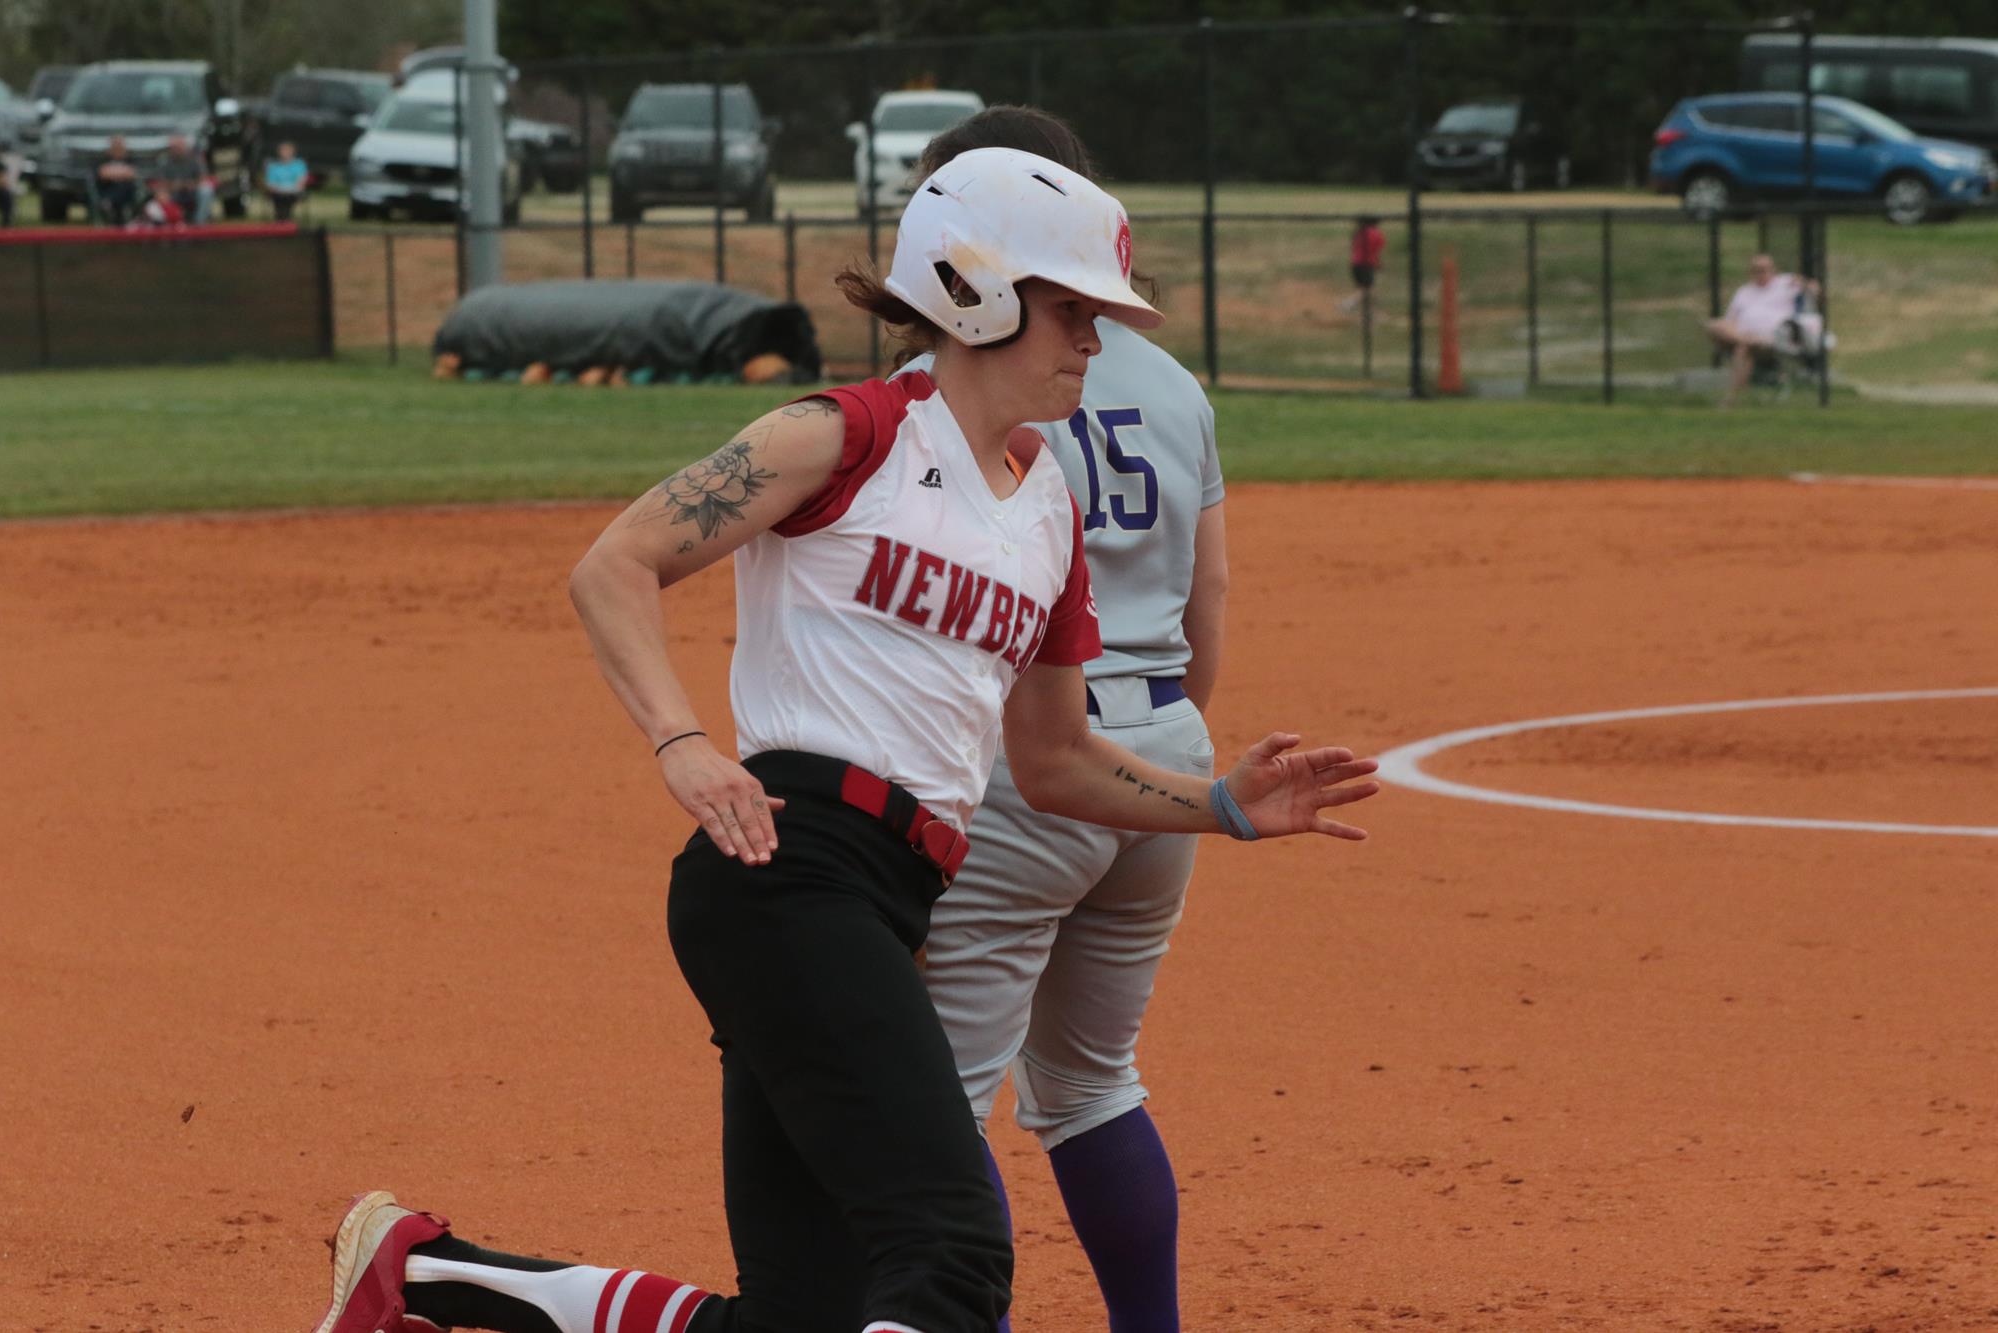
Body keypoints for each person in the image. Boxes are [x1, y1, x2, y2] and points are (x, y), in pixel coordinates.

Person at [304, 146, 1381, 1333]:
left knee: (801, 1314)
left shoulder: (1045, 510)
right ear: (976, 295)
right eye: (1072, 311)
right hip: (786, 869)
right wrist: (683, 744)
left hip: (888, 892)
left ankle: (420, 1275)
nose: (1092, 341)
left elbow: (1055, 761)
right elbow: (613, 567)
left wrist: (1217, 804)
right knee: (952, 1245)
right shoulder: (844, 433)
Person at [897, 106, 1221, 1333]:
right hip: (1159, 751)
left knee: (933, 1101)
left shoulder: (948, 384)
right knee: (1089, 1082)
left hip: (1021, 768)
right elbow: (1209, 592)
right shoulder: (1175, 384)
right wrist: (1166, 750)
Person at [1706, 253, 1819, 408]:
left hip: (1775, 340)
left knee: (1743, 350)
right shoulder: (1743, 291)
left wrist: (1804, 282)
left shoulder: (1785, 283)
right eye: (1756, 270)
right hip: (1744, 337)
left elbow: (1814, 290)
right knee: (1714, 325)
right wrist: (1741, 335)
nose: (1761, 273)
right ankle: (1746, 340)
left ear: (1774, 270)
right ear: (1750, 272)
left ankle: (1731, 399)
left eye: (1765, 269)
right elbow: (1730, 320)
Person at [160, 134, 214, 224]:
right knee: (162, 195)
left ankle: (199, 223)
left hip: (192, 191)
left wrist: (191, 184)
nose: (176, 150)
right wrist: (173, 186)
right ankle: (171, 224)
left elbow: (203, 178)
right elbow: (161, 183)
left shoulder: (195, 159)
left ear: (185, 146)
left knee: (206, 190)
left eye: (178, 147)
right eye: (173, 148)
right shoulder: (165, 161)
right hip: (174, 192)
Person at [1340, 215, 1386, 314]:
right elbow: (1376, 250)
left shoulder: (1359, 232)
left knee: (1367, 289)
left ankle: (1372, 311)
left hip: (1355, 263)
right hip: (1367, 264)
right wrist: (1378, 263)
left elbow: (1354, 247)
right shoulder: (1376, 233)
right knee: (1366, 290)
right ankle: (1347, 305)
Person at [93, 135, 140, 226]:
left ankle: (109, 203)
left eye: (120, 146)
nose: (118, 149)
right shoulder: (102, 160)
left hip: (127, 194)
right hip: (107, 190)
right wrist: (121, 174)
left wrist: (113, 173)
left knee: (124, 186)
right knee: (119, 186)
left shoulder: (130, 160)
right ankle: (112, 208)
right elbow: (103, 174)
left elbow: (131, 174)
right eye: (115, 146)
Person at [264, 140, 308, 222]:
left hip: (293, 192)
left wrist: (294, 188)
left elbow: (301, 181)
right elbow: (270, 184)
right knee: (279, 197)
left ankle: (284, 221)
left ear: (292, 152)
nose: (285, 153)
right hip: (277, 193)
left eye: (287, 150)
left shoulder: (299, 164)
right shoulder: (273, 166)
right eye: (283, 150)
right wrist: (277, 189)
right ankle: (282, 221)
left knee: (287, 198)